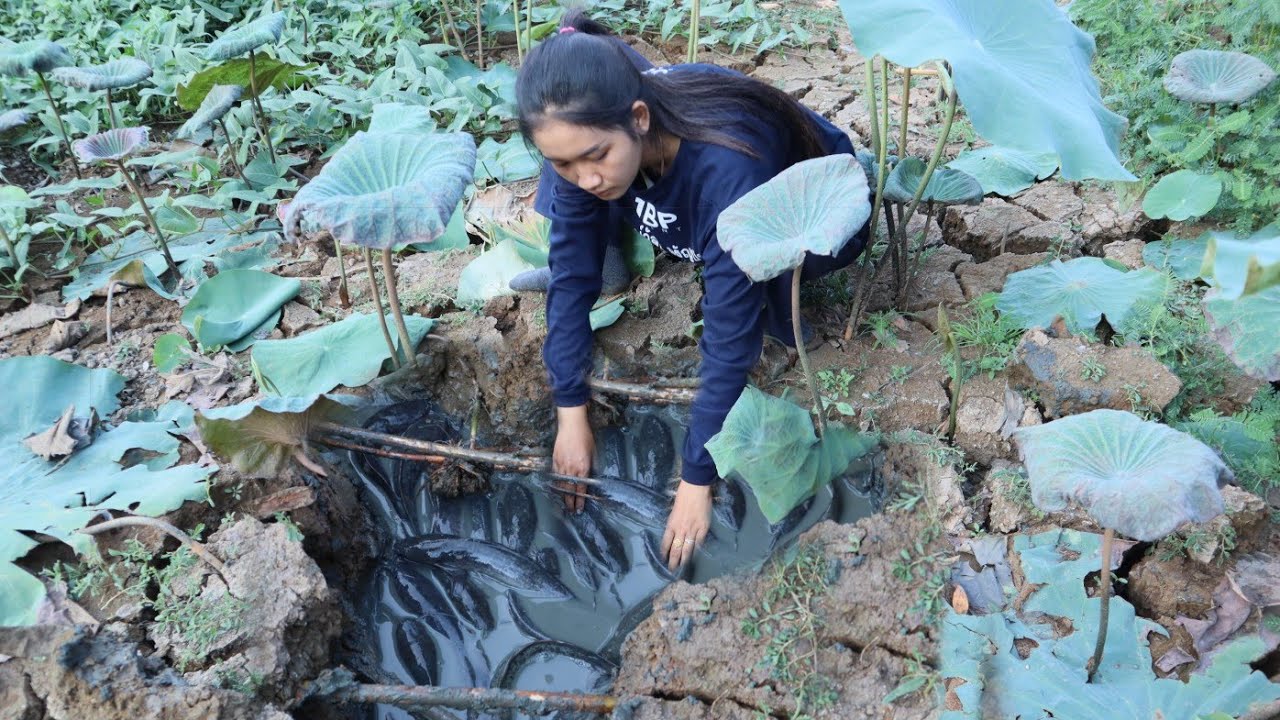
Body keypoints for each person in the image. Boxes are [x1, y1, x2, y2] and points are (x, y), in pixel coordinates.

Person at [516, 11, 870, 571]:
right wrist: (570, 408)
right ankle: (625, 242)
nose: (584, 175)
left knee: (759, 305)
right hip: (671, 181)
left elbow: (729, 343)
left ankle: (770, 288)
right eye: (563, 163)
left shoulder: (728, 170)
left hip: (810, 220)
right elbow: (569, 279)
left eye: (594, 157)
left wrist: (694, 480)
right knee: (581, 217)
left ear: (638, 118)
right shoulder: (594, 145)